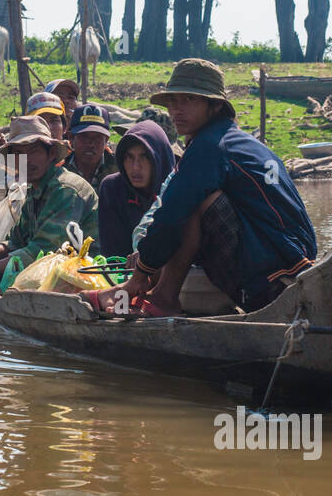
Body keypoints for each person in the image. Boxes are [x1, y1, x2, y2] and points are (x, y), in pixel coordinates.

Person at [86, 58, 317, 316]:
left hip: (273, 280)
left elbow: (172, 213)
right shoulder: (242, 143)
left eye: (188, 100)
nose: (177, 110)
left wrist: (141, 274)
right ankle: (158, 291)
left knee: (194, 201)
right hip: (293, 267)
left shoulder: (210, 146)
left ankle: (163, 298)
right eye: (173, 102)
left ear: (214, 105)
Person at [0, 115, 98, 298]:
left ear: (51, 153)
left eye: (34, 151)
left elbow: (43, 251)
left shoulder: (65, 189)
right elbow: (16, 243)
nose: (27, 160)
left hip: (87, 277)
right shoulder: (34, 190)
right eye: (19, 154)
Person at [96, 118, 175, 258]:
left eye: (145, 157)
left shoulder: (178, 188)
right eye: (129, 157)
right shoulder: (112, 188)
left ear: (159, 158)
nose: (135, 167)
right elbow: (113, 256)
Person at [63, 104, 118, 191]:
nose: (90, 144)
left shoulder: (119, 170)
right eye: (84, 137)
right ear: (71, 138)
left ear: (106, 141)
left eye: (98, 138)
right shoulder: (59, 169)